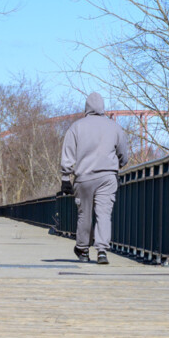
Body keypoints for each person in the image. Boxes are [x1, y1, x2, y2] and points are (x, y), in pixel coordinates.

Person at [60, 92, 129, 264]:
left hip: (84, 177)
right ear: (102, 108)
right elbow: (123, 155)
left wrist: (65, 177)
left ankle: (83, 250)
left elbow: (68, 153)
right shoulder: (114, 127)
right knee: (104, 214)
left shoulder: (76, 127)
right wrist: (118, 163)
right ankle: (102, 251)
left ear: (87, 108)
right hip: (107, 177)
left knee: (84, 215)